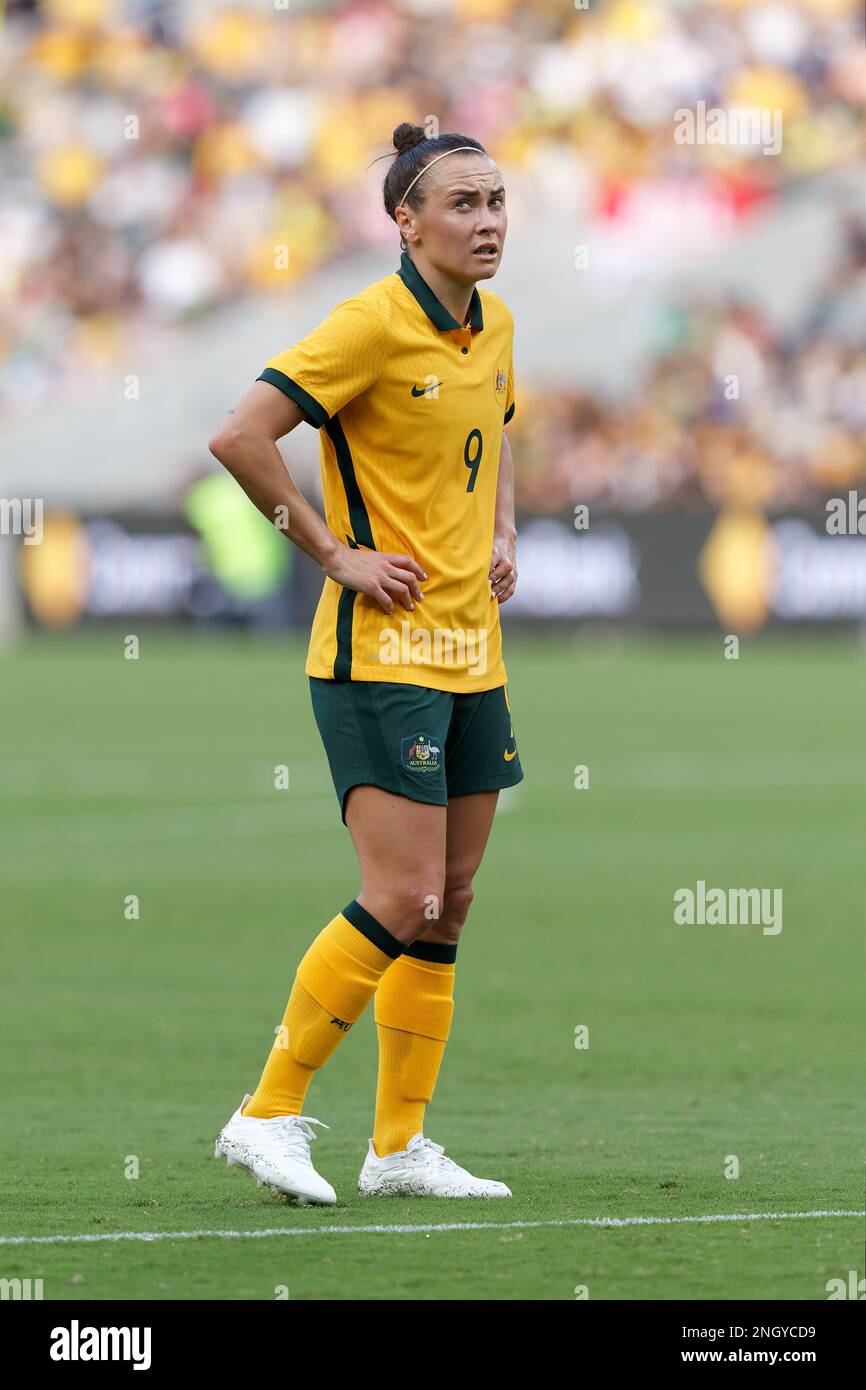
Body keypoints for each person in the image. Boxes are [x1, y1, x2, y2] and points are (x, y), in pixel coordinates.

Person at [208, 122, 523, 1202]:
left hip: (469, 652)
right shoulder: (368, 326)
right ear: (406, 222)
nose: (486, 223)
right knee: (399, 890)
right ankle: (267, 1111)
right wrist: (335, 554)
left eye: (494, 202)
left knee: (451, 899)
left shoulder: (495, 326)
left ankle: (396, 1147)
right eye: (462, 205)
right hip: (381, 654)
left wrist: (501, 528)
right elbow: (241, 436)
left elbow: (500, 430)